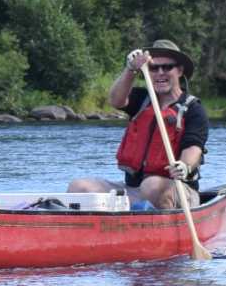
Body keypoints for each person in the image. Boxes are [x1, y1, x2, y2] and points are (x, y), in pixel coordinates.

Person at [68, 40, 207, 210]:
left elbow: (194, 147)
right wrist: (131, 69)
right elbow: (116, 100)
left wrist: (184, 166)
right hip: (134, 189)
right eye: (154, 68)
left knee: (152, 185)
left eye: (167, 67)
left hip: (178, 190)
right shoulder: (142, 100)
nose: (160, 73)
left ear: (179, 70)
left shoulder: (193, 109)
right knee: (78, 187)